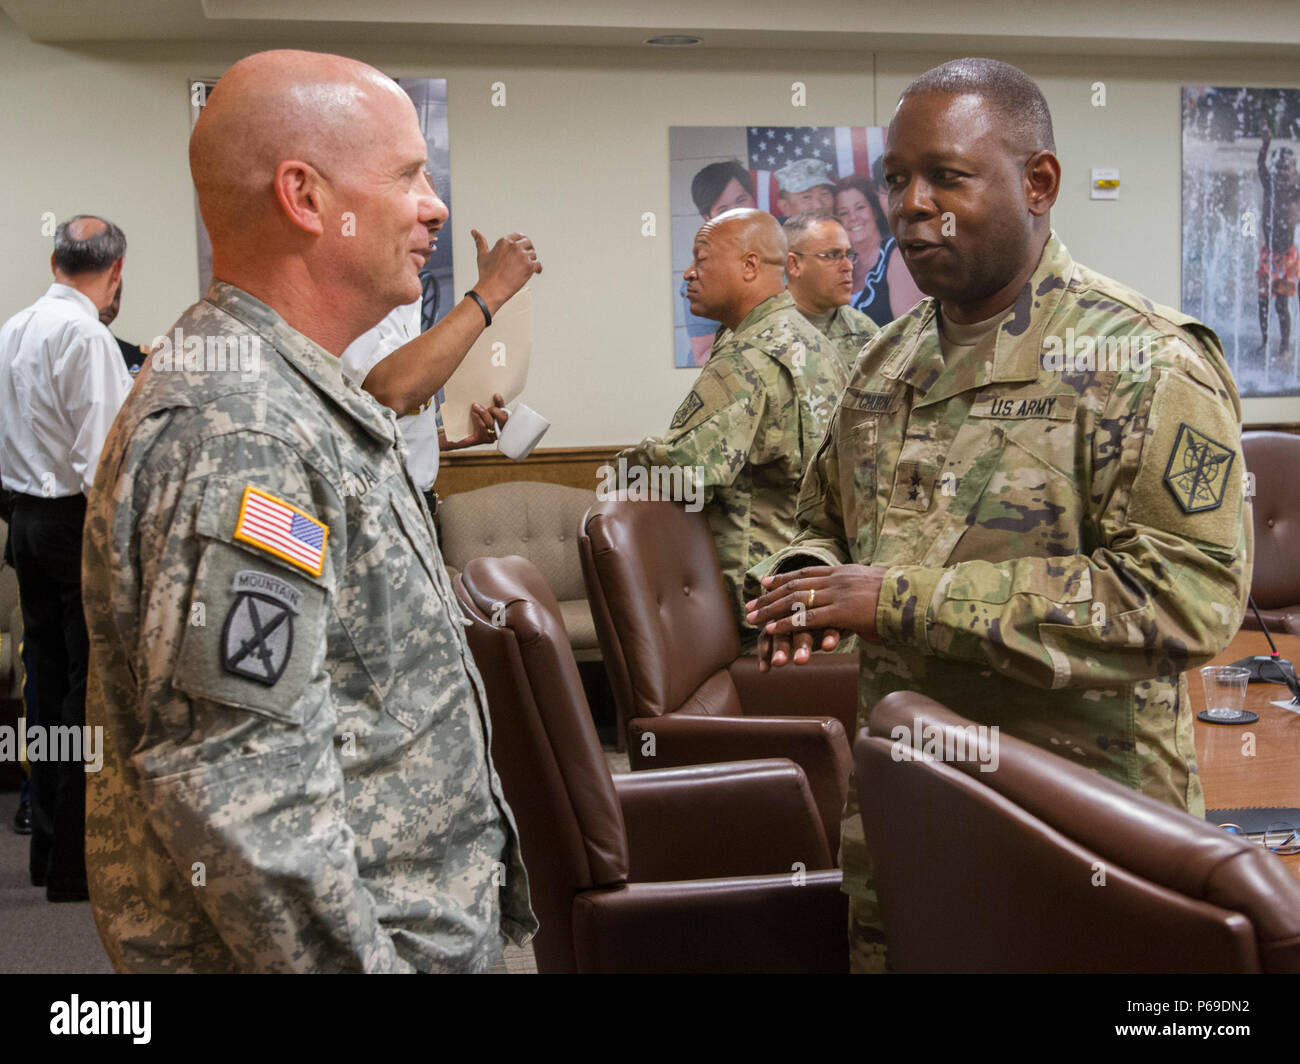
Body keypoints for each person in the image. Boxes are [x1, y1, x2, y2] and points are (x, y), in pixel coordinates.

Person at [745, 58, 1250, 972]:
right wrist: (801, 578)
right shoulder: (882, 364)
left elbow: (1188, 598)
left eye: (947, 175)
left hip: (1079, 837)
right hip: (906, 824)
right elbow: (825, 521)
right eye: (896, 179)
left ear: (1039, 182)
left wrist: (892, 598)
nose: (911, 205)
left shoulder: (1144, 361)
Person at [82, 49, 535, 972]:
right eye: (409, 175)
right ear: (306, 197)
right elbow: (248, 798)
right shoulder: (241, 431)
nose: (435, 206)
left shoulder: (291, 393)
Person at [622, 208, 849, 649]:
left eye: (702, 258)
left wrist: (621, 467)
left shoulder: (747, 357)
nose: (689, 273)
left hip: (754, 609)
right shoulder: (814, 342)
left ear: (749, 266)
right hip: (809, 591)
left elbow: (683, 478)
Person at [0, 215, 134, 902]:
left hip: (22, 522)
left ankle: (50, 851)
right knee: (89, 697)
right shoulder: (88, 336)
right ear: (115, 273)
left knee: (46, 690)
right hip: (75, 525)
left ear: (56, 261)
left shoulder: (13, 330)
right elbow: (103, 464)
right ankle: (77, 867)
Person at [339, 174, 540, 513]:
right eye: (411, 186)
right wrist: (490, 292)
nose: (438, 210)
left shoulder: (406, 295)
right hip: (374, 512)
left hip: (417, 504)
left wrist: (448, 438)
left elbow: (378, 420)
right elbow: (389, 393)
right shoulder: (347, 287)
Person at [681, 160, 760, 366]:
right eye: (723, 208)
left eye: (741, 199)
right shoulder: (701, 276)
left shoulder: (786, 250)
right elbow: (703, 356)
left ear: (754, 199)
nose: (736, 213)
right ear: (708, 218)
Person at [782, 210, 879, 369]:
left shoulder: (865, 331)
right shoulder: (760, 332)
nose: (848, 267)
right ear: (794, 265)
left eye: (848, 254)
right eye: (832, 255)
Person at [834, 172, 923, 326]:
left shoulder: (896, 258)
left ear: (874, 211)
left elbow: (912, 333)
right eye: (844, 212)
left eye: (860, 207)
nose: (853, 217)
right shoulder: (841, 265)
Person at [1256, 118, 1300, 361]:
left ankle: (1284, 345)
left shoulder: (1297, 192)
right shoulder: (1269, 185)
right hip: (1268, 255)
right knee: (1262, 302)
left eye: (1288, 167)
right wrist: (1265, 145)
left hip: (1289, 257)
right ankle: (1264, 341)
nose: (1283, 171)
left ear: (1294, 170)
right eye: (1280, 166)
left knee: (1282, 306)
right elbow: (1260, 165)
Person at [99, 281, 148, 377]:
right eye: (103, 294)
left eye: (115, 296)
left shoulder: (136, 357)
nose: (110, 304)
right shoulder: (67, 346)